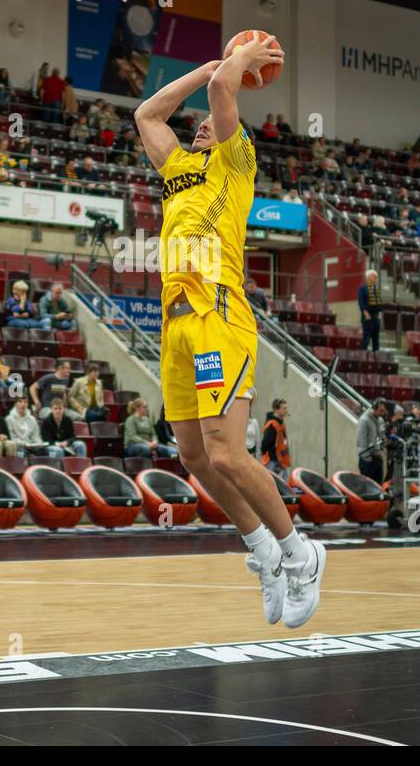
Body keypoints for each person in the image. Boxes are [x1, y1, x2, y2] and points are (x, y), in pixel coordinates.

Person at [135, 37, 324, 630]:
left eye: (209, 127)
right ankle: (264, 553)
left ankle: (301, 552)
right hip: (176, 322)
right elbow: (146, 114)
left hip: (220, 313)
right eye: (195, 129)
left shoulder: (236, 164)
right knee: (194, 454)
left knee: (225, 449)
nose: (198, 131)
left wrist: (237, 62)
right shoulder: (179, 172)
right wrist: (205, 68)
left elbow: (222, 95)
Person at [356, 397, 389, 482]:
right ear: (374, 408)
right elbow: (361, 441)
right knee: (367, 487)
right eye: (381, 411)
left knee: (378, 485)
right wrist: (367, 459)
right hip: (367, 459)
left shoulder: (380, 420)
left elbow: (381, 436)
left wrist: (384, 440)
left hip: (377, 457)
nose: (382, 413)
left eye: (384, 411)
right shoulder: (364, 420)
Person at [259, 398, 290, 480]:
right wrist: (275, 460)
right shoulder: (272, 424)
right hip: (272, 461)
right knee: (270, 483)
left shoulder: (280, 423)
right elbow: (265, 444)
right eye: (284, 408)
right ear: (276, 409)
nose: (286, 410)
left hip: (280, 461)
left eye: (286, 408)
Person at [358, 269, 384, 353]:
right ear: (368, 278)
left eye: (376, 277)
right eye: (374, 277)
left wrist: (379, 313)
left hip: (376, 317)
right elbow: (361, 302)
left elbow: (379, 303)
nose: (376, 279)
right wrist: (366, 314)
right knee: (366, 339)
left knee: (376, 340)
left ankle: (375, 358)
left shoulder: (376, 289)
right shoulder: (362, 288)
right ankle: (363, 356)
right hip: (368, 317)